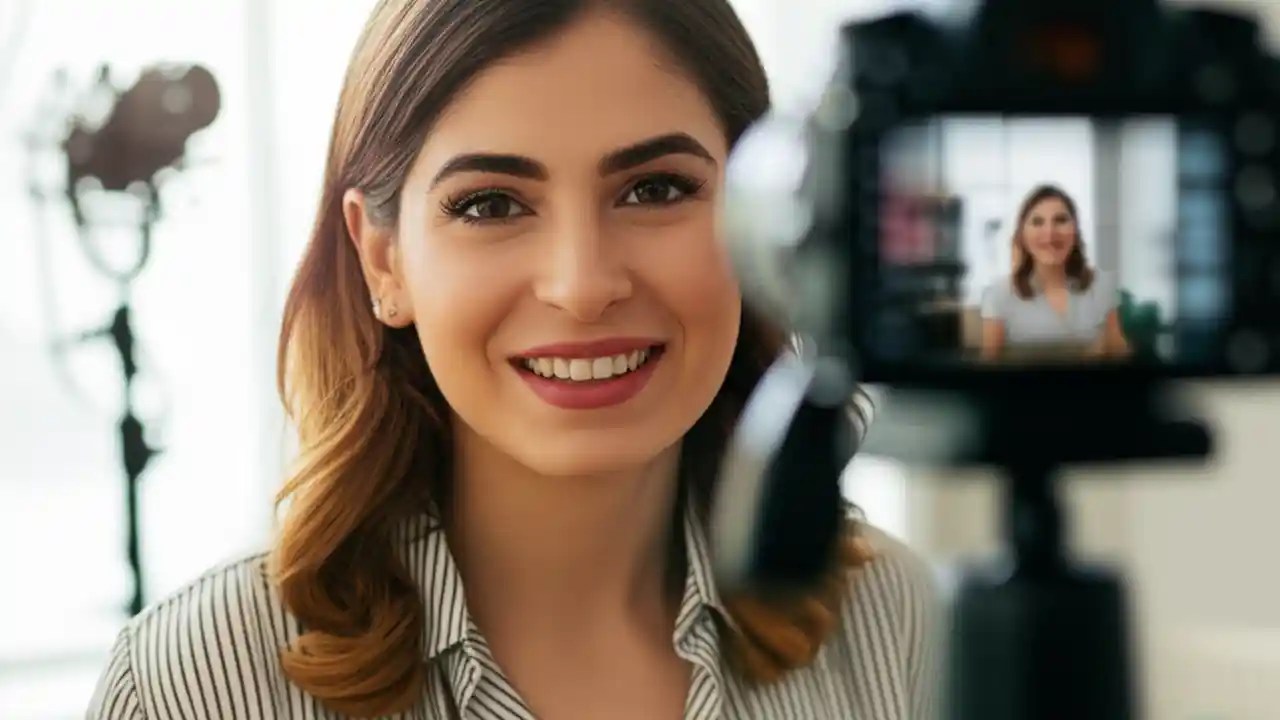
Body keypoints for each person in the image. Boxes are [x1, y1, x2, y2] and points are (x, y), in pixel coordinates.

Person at [87, 1, 940, 718]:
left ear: (763, 225)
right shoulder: (190, 684)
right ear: (383, 261)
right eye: (490, 204)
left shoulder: (895, 622)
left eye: (655, 190)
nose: (582, 285)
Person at [980, 184, 1131, 362]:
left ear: (1075, 231)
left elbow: (1121, 357)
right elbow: (988, 367)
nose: (1050, 233)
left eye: (1060, 220)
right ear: (1022, 235)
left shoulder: (1101, 284)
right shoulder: (999, 293)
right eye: (1037, 222)